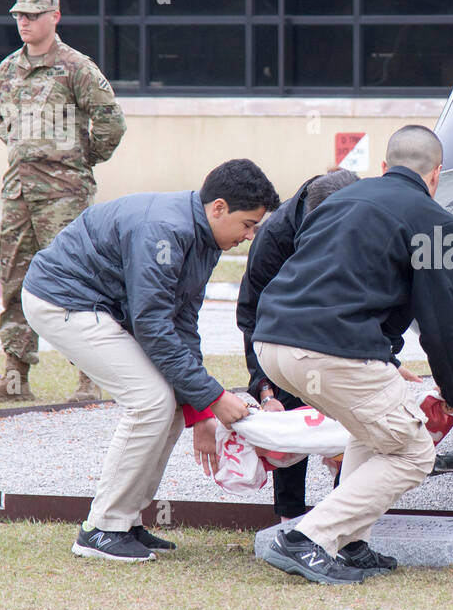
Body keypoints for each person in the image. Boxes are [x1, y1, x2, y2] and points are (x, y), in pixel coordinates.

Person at [22, 159, 280, 562]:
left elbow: (183, 323)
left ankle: (125, 521)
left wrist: (197, 412)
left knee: (170, 404)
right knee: (151, 400)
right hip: (62, 299)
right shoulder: (164, 231)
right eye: (248, 224)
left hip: (105, 307)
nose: (250, 235)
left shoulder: (206, 239)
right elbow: (154, 327)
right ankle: (101, 529)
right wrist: (213, 398)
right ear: (218, 208)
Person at [253, 126, 453, 584]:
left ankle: (350, 544)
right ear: (437, 176)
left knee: (370, 431)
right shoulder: (439, 222)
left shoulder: (335, 200)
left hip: (271, 342)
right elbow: (442, 321)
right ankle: (307, 538)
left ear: (384, 168)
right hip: (329, 350)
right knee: (413, 453)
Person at [0, 0, 126, 405]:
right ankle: (15, 378)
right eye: (20, 15)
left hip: (64, 196)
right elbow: (2, 122)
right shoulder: (7, 70)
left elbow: (111, 121)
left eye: (34, 15)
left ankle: (88, 381)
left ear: (54, 16)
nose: (25, 22)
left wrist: (81, 159)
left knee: (75, 283)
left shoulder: (76, 68)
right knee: (14, 281)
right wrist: (30, 154)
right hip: (19, 191)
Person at [236, 168, 363, 523]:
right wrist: (265, 390)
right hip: (286, 333)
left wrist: (384, 356)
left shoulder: (364, 218)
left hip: (343, 326)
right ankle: (289, 518)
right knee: (289, 408)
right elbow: (252, 317)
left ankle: (344, 513)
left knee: (354, 415)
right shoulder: (274, 238)